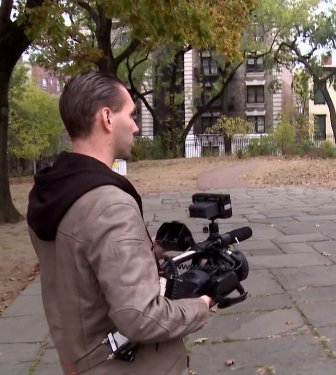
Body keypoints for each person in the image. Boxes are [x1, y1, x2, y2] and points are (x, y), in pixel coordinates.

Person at [27, 72, 213, 375]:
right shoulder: (109, 203)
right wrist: (201, 305)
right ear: (107, 118)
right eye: (132, 115)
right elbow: (140, 316)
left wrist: (143, 253)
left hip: (80, 357)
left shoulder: (51, 192)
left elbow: (80, 272)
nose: (137, 126)